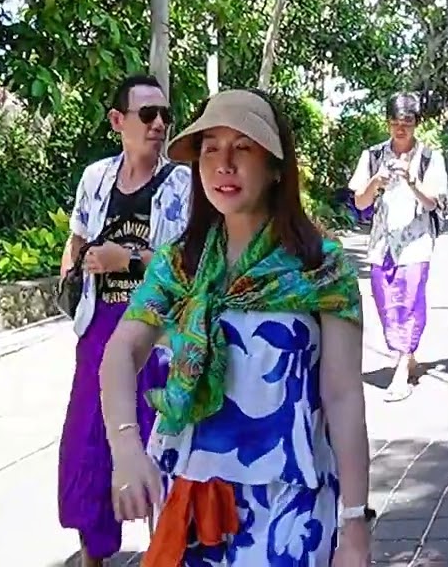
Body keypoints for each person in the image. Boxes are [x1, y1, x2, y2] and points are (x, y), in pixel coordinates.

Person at [99, 89, 372, 566]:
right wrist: (124, 447)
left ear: (275, 168)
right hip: (187, 494)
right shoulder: (178, 266)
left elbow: (344, 396)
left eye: (243, 147)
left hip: (292, 505)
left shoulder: (321, 269)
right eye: (211, 148)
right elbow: (120, 353)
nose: (223, 163)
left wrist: (354, 527)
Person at [58, 74, 193, 567]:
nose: (159, 124)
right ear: (118, 121)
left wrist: (129, 261)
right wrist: (72, 279)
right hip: (99, 328)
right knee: (89, 447)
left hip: (159, 335)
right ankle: (92, 556)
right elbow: (75, 239)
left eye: (165, 115)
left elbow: (188, 264)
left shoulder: (183, 183)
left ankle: (166, 553)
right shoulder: (95, 178)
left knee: (162, 446)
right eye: (147, 115)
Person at [349, 92, 448, 401]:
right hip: (382, 243)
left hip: (416, 242)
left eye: (406, 123)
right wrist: (375, 182)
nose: (399, 130)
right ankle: (406, 355)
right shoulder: (374, 155)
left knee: (409, 300)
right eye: (394, 123)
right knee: (383, 299)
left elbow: (434, 202)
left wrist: (412, 181)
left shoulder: (430, 157)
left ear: (416, 123)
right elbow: (360, 202)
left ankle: (402, 366)